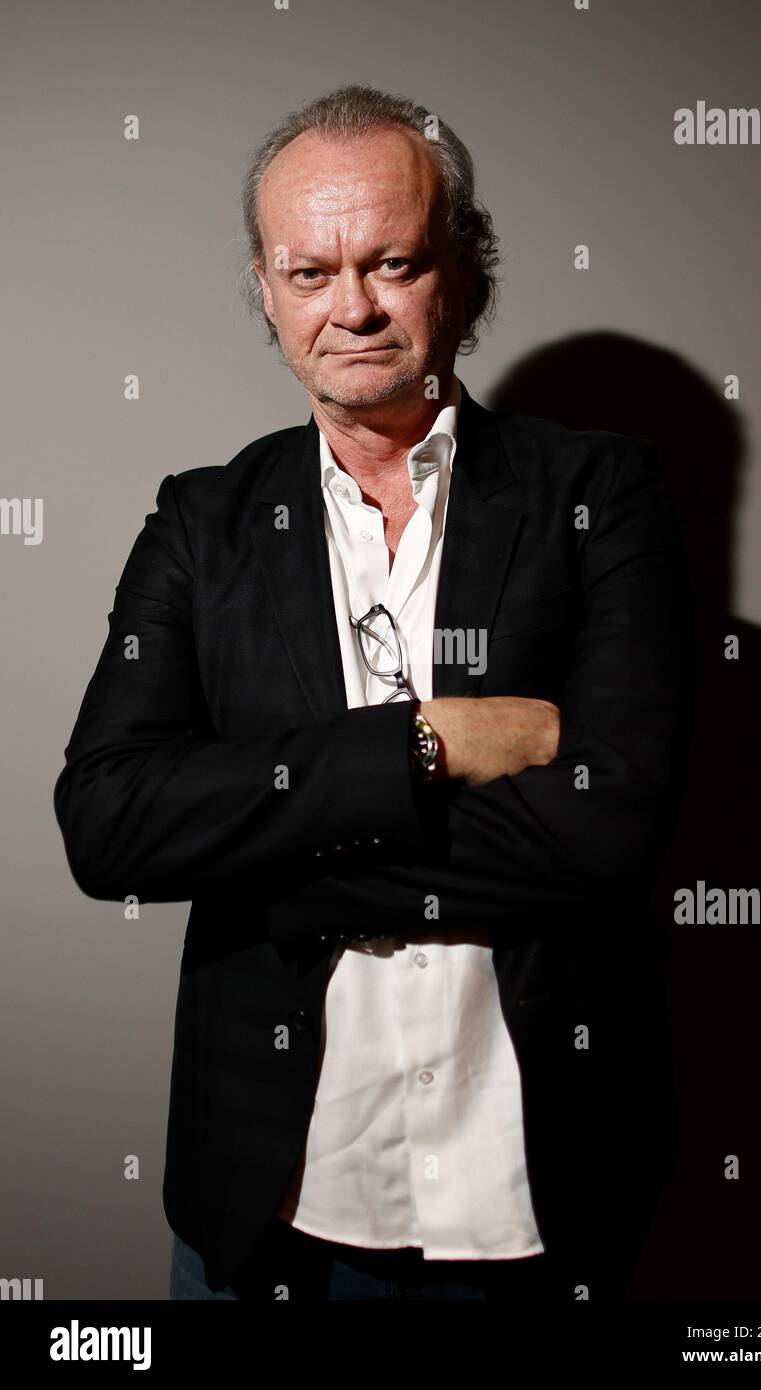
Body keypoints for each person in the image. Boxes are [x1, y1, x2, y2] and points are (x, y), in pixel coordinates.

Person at [54, 83, 693, 1301]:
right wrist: (426, 746)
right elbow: (108, 820)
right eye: (309, 273)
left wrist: (270, 850)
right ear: (266, 288)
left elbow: (617, 825)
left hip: (540, 1196)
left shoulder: (603, 491)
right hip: (271, 1195)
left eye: (392, 262)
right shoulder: (202, 520)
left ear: (463, 269)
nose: (351, 307)